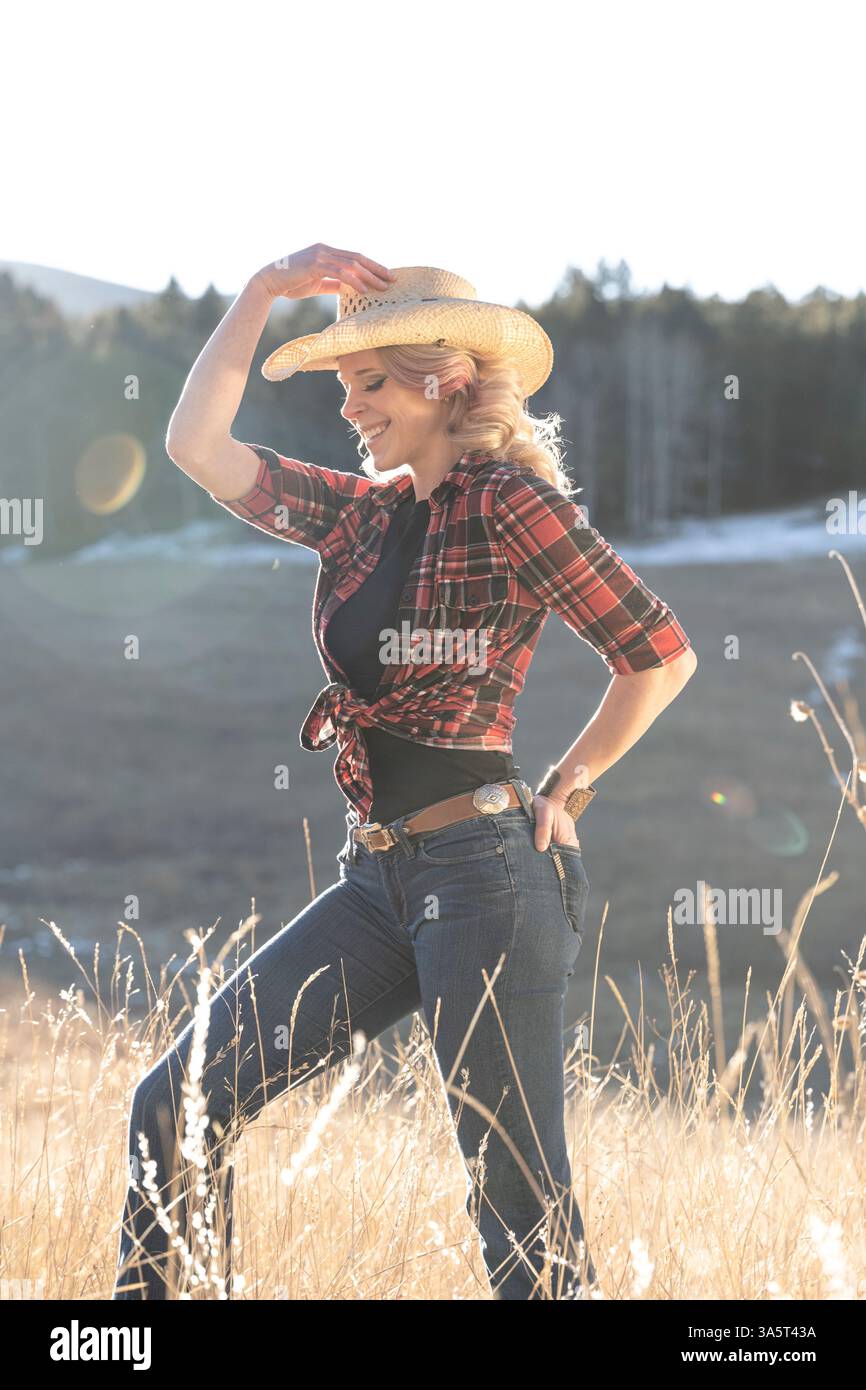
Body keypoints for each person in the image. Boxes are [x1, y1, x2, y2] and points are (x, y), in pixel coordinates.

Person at [112, 244, 697, 1301]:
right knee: (177, 1101)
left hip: (483, 876)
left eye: (369, 383)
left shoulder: (507, 503)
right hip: (374, 882)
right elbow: (196, 443)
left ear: (447, 378)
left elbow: (655, 651)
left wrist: (570, 782)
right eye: (343, 389)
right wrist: (257, 294)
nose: (351, 410)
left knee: (515, 1200)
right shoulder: (361, 513)